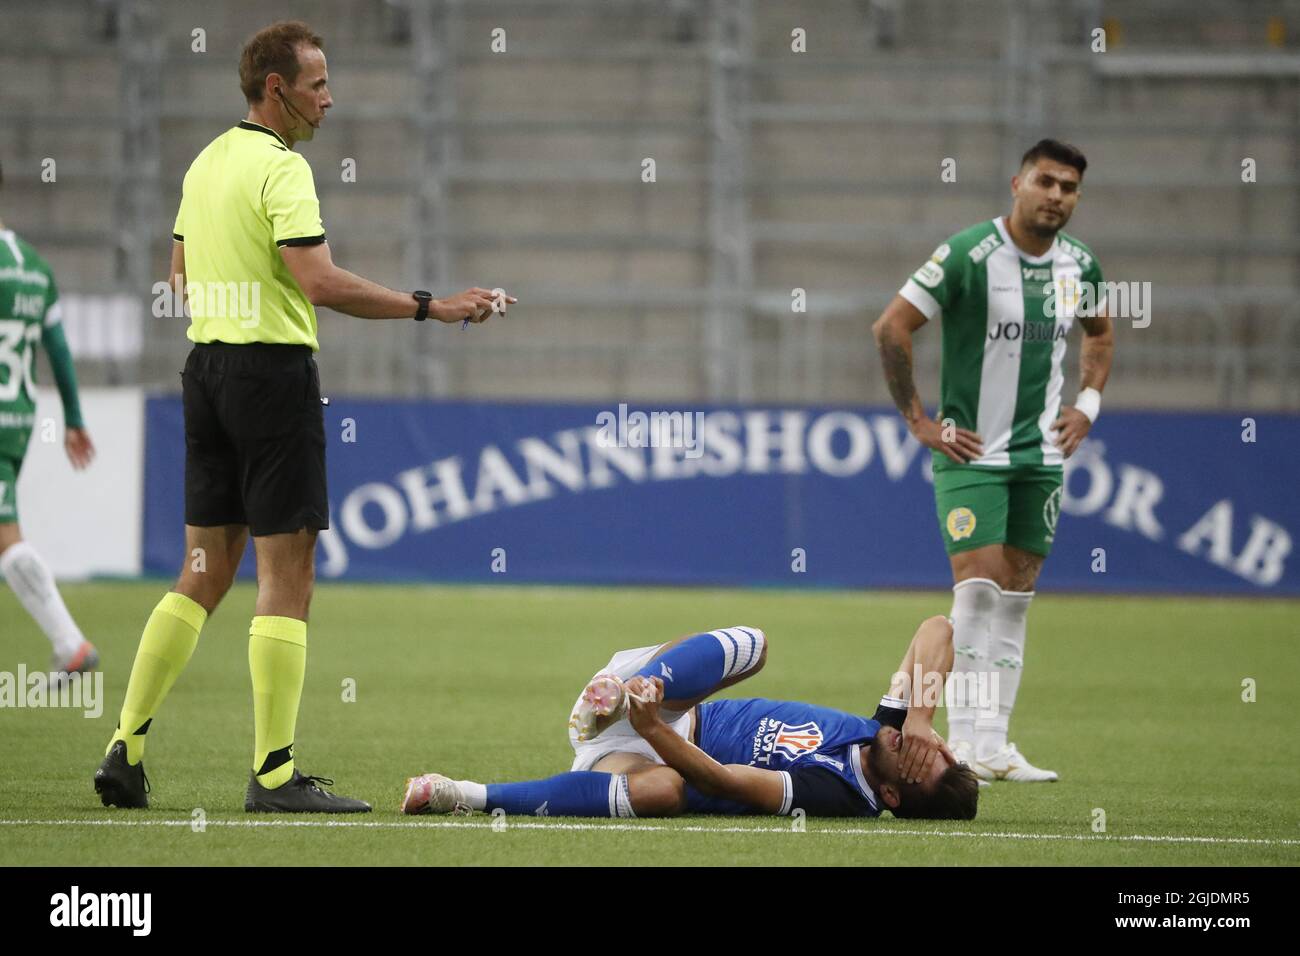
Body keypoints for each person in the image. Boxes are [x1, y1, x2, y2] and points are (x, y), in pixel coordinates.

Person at [94, 20, 515, 813]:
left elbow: (179, 276)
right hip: (270, 379)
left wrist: (237, 305)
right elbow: (319, 283)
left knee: (201, 573)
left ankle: (126, 746)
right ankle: (276, 774)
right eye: (318, 84)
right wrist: (433, 305)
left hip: (206, 372)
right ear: (276, 90)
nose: (330, 99)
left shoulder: (206, 161)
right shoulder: (280, 171)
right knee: (288, 577)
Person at [871, 138, 1115, 782]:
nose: (1056, 196)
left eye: (1068, 187)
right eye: (1045, 182)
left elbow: (1101, 331)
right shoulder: (968, 255)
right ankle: (966, 740)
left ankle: (994, 746)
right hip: (972, 452)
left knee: (1015, 601)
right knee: (976, 596)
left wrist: (1087, 402)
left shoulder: (1079, 265)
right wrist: (918, 420)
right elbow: (890, 326)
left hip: (1041, 455)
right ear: (1017, 183)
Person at [401, 619, 979, 820]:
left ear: (894, 797)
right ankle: (628, 688)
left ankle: (460, 794)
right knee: (755, 644)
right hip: (669, 695)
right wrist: (924, 718)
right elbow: (937, 629)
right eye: (932, 747)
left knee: (665, 793)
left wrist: (650, 730)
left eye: (919, 761)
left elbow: (723, 782)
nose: (916, 745)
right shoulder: (892, 732)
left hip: (636, 748)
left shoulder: (837, 792)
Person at [0, 159, 100, 678]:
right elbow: (57, 349)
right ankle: (70, 646)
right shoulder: (34, 267)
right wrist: (75, 418)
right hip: (16, 415)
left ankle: (71, 644)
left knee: (7, 536)